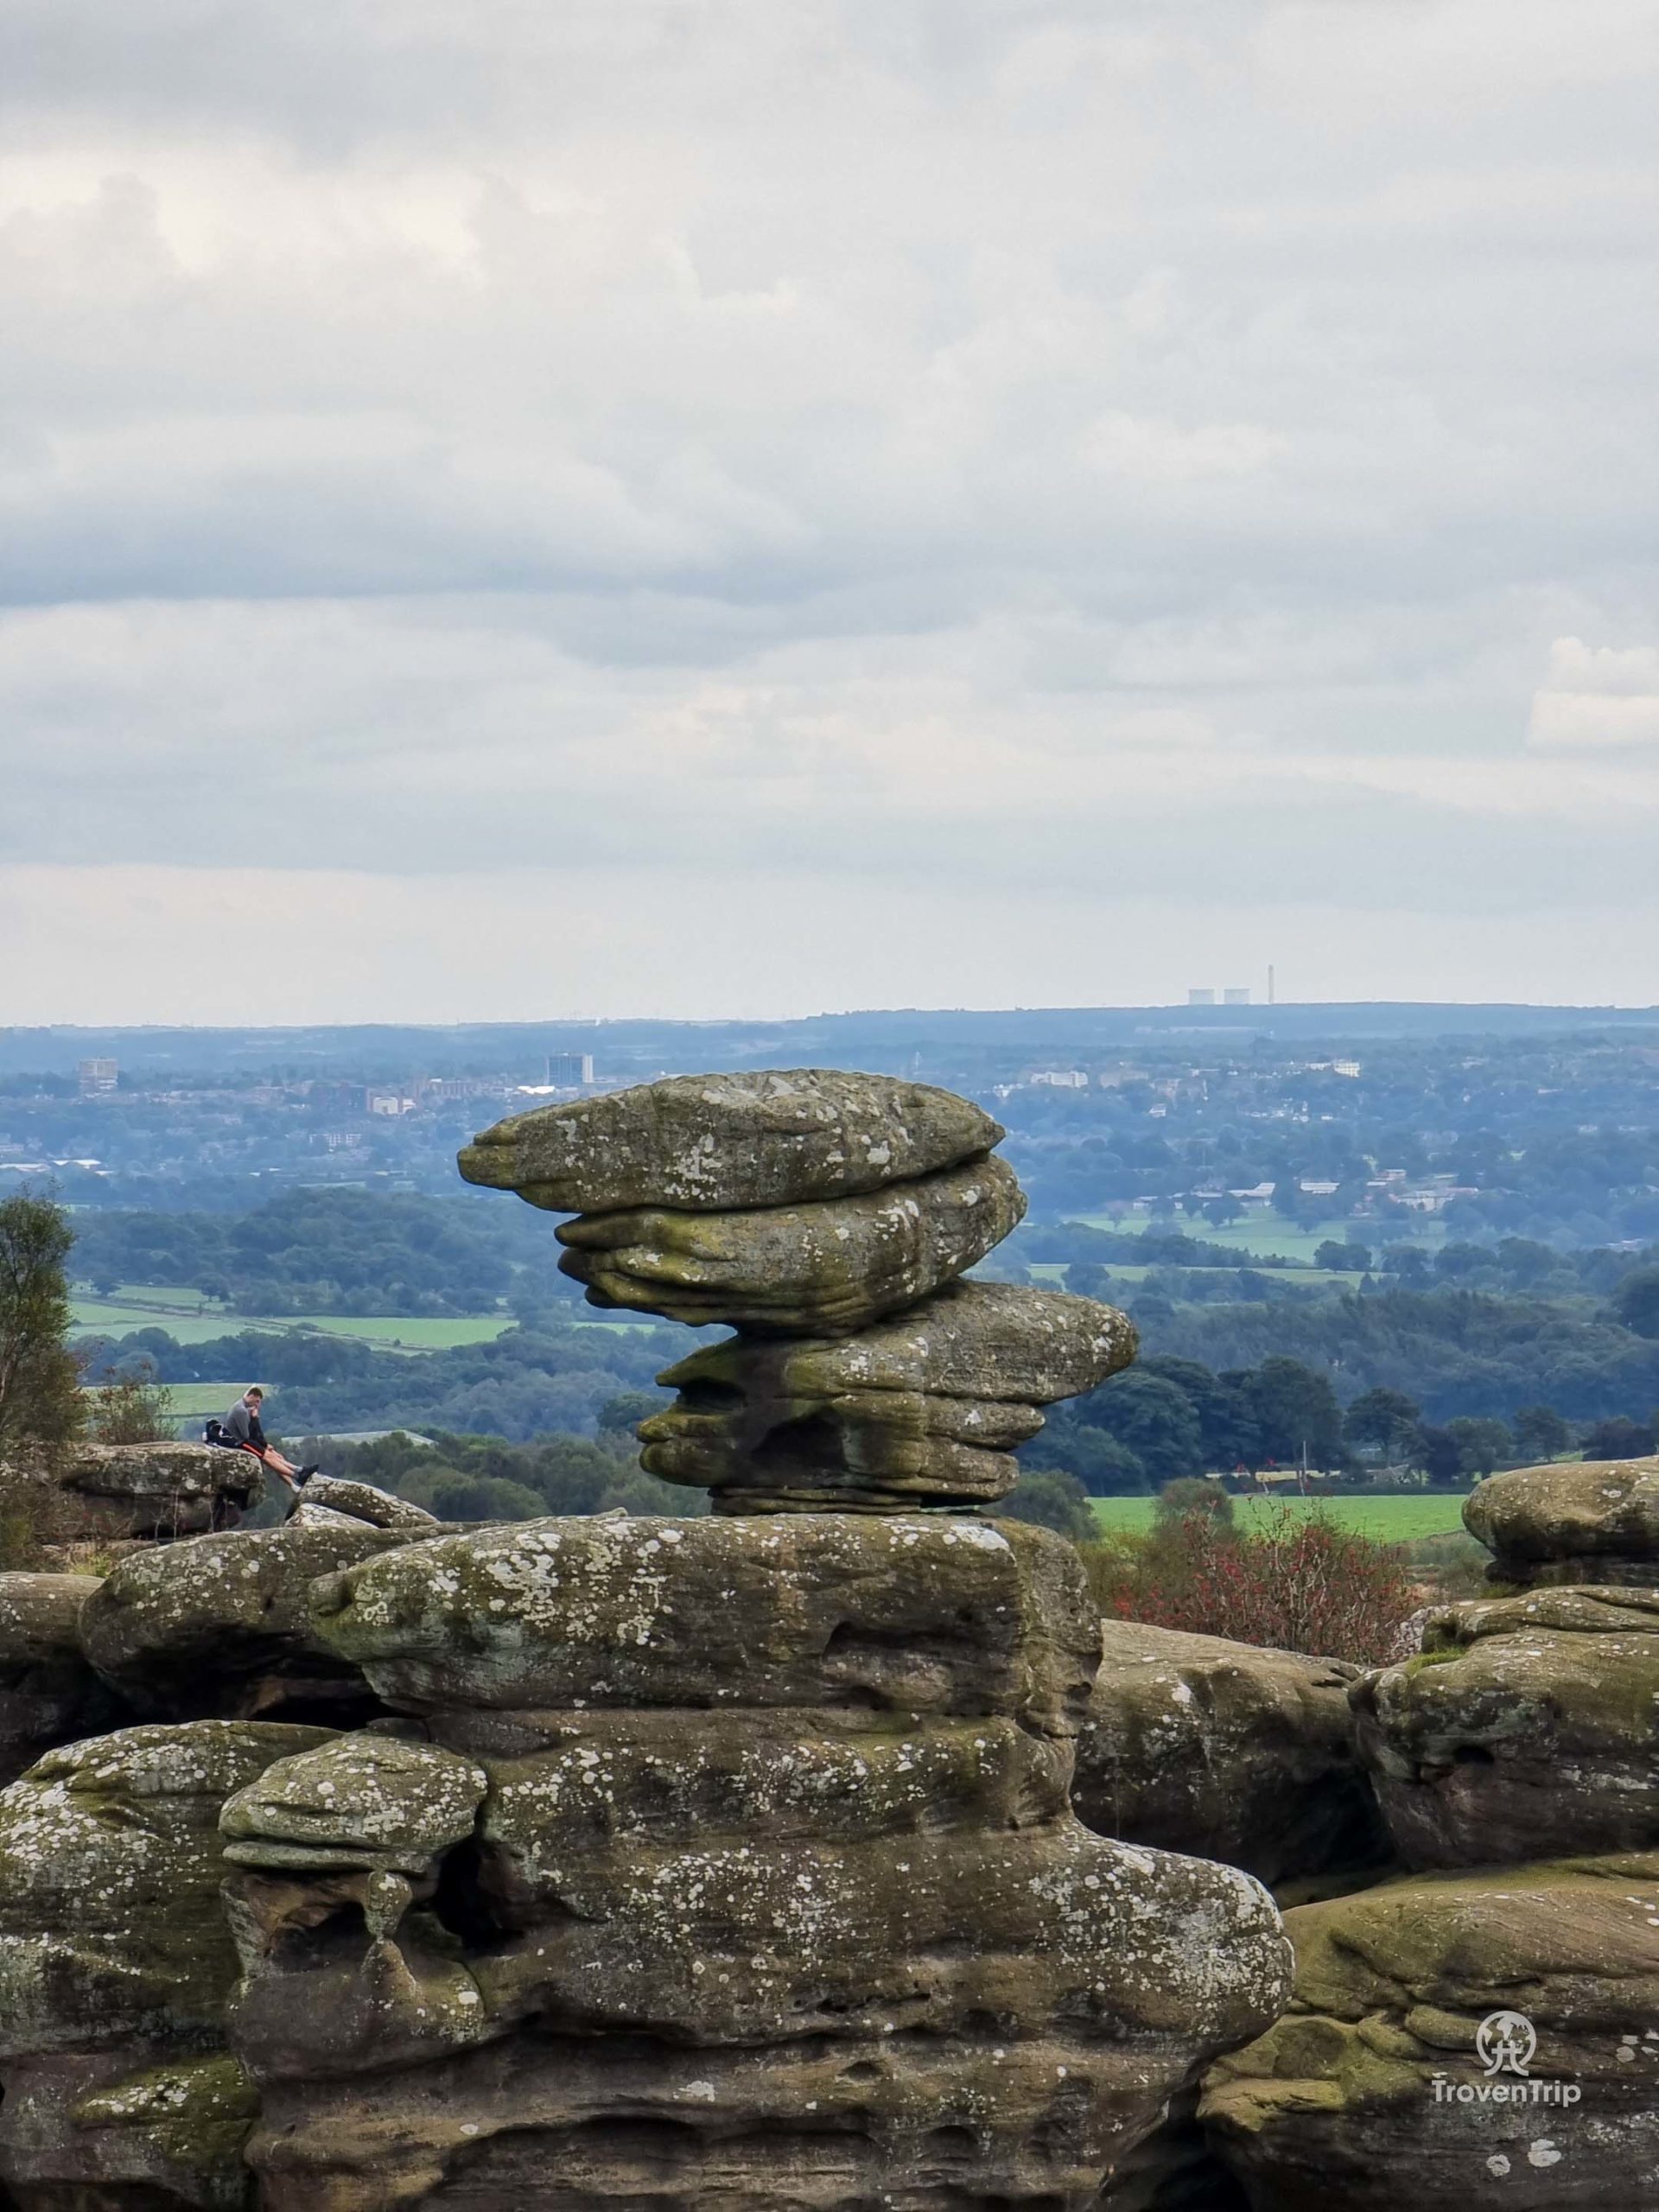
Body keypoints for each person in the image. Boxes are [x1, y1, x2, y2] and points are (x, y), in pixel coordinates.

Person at [216, 1388, 317, 1494]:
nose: (258, 1405)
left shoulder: (245, 1409)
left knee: (277, 1456)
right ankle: (297, 1476)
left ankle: (299, 1472)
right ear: (251, 1396)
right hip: (239, 1444)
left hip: (246, 1442)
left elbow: (254, 1433)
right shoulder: (241, 1410)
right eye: (257, 1401)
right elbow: (246, 1435)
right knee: (269, 1458)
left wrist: (264, 1444)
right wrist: (254, 1419)